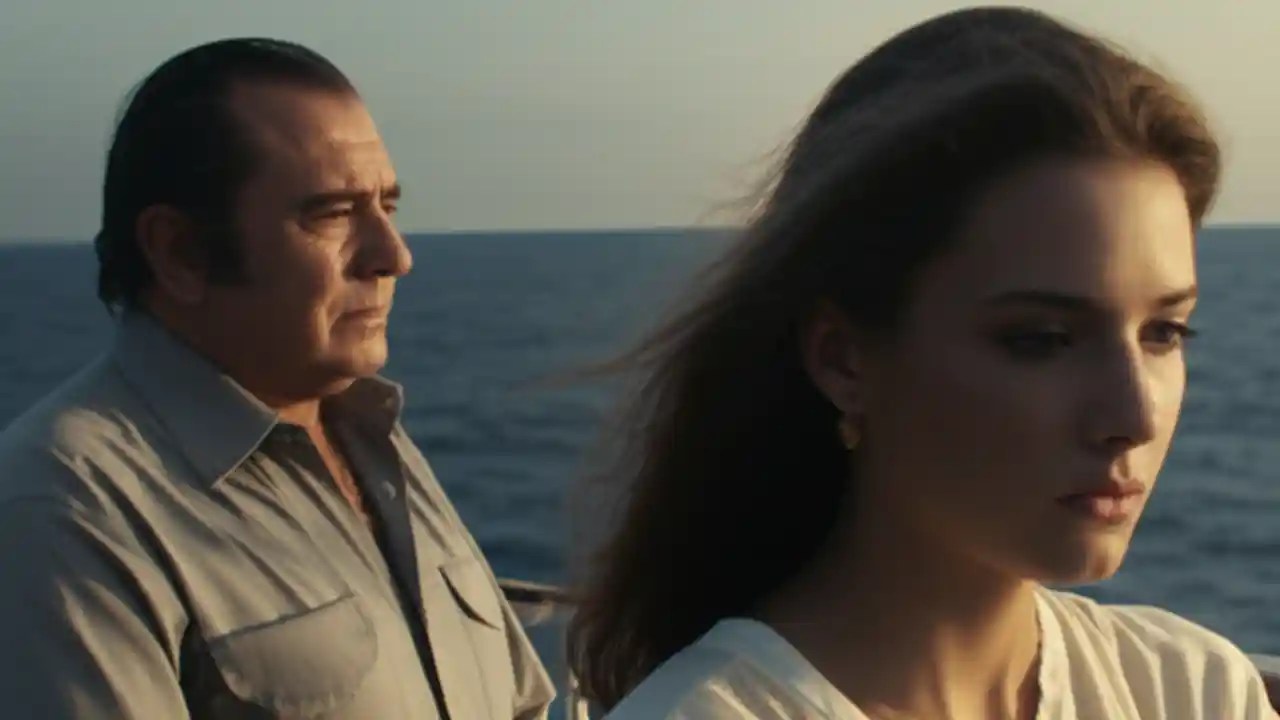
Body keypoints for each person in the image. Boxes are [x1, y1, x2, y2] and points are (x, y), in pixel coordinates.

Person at [566, 7, 1276, 720]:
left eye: (1163, 333)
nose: (1133, 416)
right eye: (1040, 339)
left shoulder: (1193, 690)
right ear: (843, 359)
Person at [0, 38, 554, 719]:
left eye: (388, 207)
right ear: (179, 252)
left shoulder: (366, 435)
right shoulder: (61, 512)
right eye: (332, 214)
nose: (394, 255)